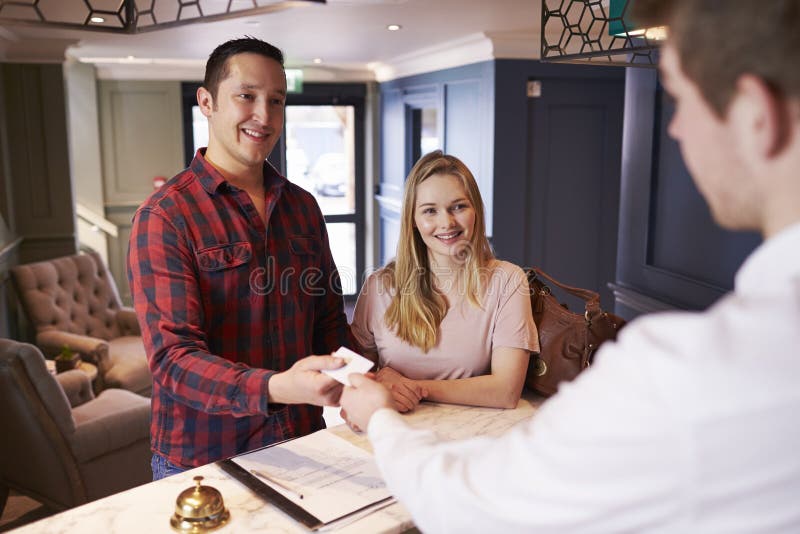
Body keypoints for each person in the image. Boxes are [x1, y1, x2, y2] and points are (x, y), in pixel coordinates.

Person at [340, 1, 800, 531]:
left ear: (754, 116)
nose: (675, 132)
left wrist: (381, 416)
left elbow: (478, 509)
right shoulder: (382, 285)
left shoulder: (689, 374)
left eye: (681, 101)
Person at [127, 37, 350, 480]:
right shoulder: (165, 216)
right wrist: (276, 386)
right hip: (204, 459)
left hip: (304, 439)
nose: (263, 116)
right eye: (246, 96)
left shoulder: (303, 207)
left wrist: (370, 375)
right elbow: (175, 360)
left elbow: (329, 322)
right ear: (207, 102)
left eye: (276, 101)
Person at [349, 151, 538, 415]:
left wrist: (413, 387)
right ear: (413, 221)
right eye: (430, 211)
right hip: (395, 433)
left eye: (458, 207)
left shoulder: (507, 281)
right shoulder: (379, 286)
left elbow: (506, 391)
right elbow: (354, 376)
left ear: (476, 211)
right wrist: (376, 381)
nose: (446, 222)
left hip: (475, 438)